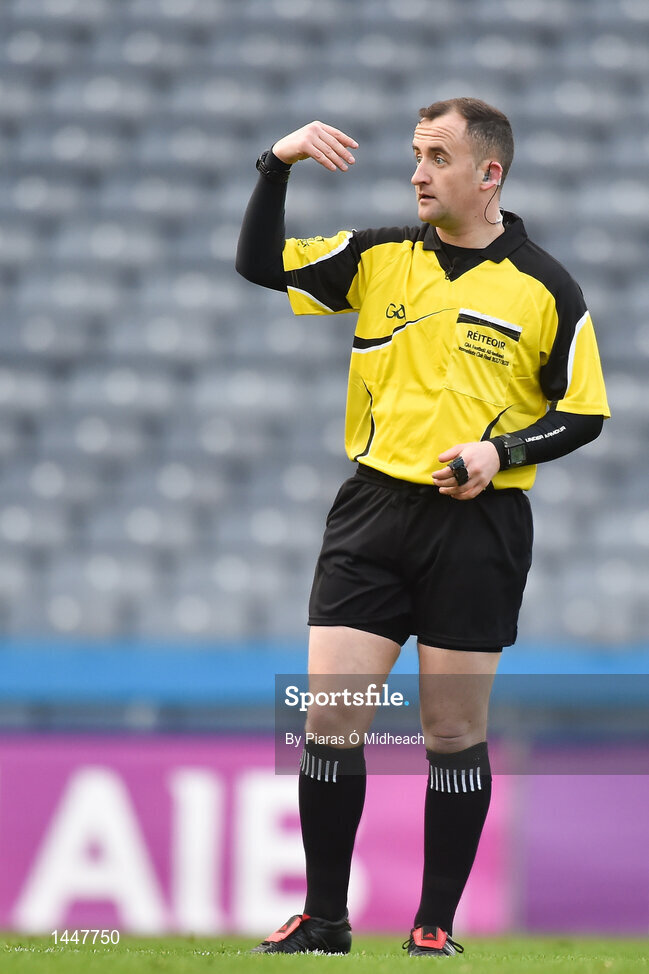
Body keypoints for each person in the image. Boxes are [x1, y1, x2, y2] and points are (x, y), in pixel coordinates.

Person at [236, 97, 609, 957]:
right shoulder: (377, 257)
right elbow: (258, 265)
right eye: (414, 155)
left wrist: (498, 451)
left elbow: (583, 413)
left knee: (450, 734)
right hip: (371, 515)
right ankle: (323, 920)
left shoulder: (547, 287)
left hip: (478, 529)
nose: (416, 173)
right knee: (330, 721)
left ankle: (432, 927)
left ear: (489, 173)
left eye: (437, 157)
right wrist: (276, 164)